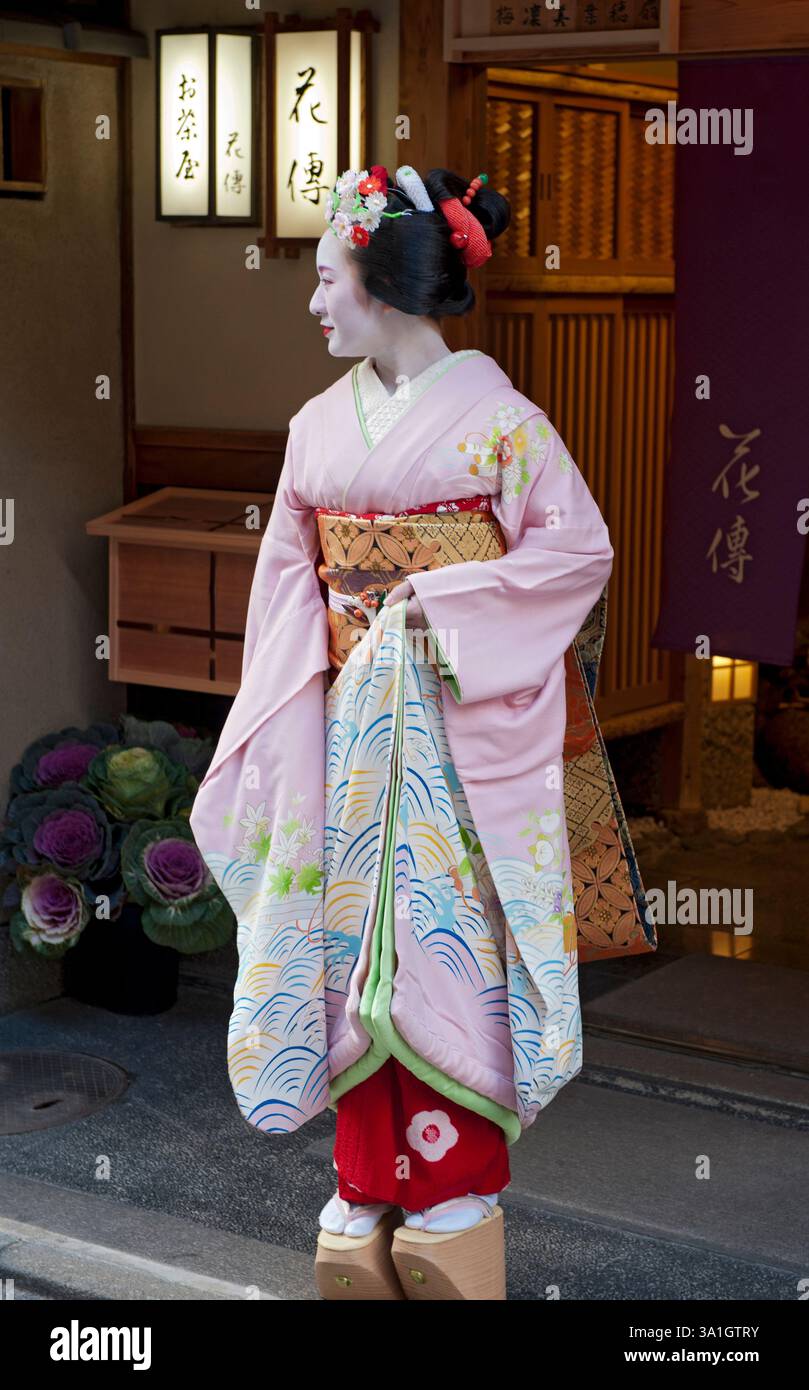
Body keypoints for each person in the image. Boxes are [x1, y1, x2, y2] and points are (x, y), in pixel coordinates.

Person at [189, 164, 648, 1301]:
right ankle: (360, 1190)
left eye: (327, 278)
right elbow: (287, 584)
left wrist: (440, 609)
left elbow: (573, 553)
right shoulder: (314, 429)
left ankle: (450, 1204)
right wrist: (310, 683)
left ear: (384, 286)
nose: (313, 304)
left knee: (442, 949)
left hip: (453, 746)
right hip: (347, 735)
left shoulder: (502, 425)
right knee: (350, 947)